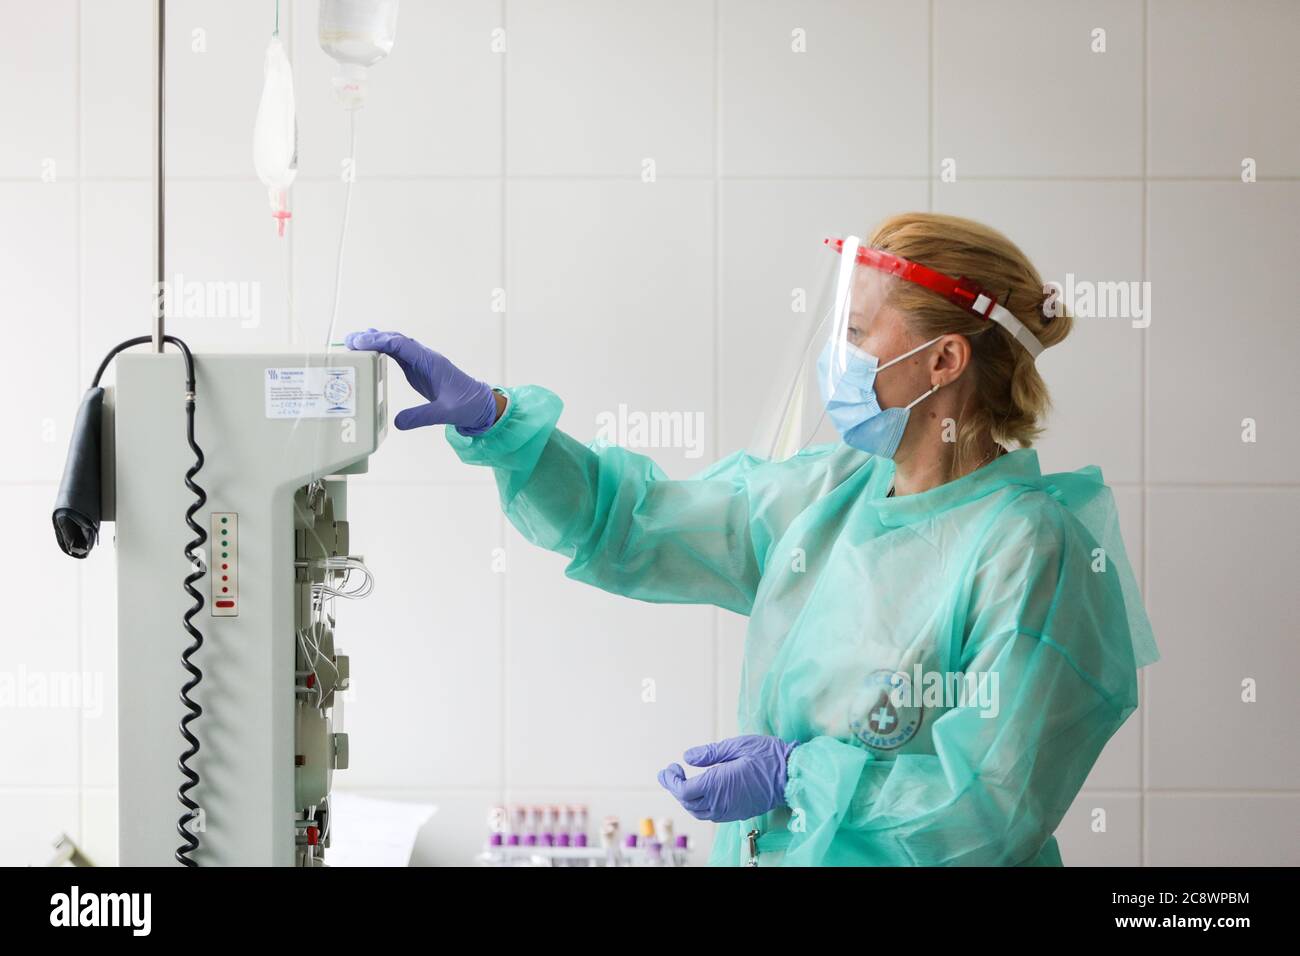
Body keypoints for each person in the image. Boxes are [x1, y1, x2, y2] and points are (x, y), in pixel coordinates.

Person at [346, 212, 1158, 866]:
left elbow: (988, 809)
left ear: (943, 359)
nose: (837, 359)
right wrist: (499, 424)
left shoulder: (1029, 550)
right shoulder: (831, 494)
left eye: (858, 333)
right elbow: (632, 523)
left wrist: (795, 778)